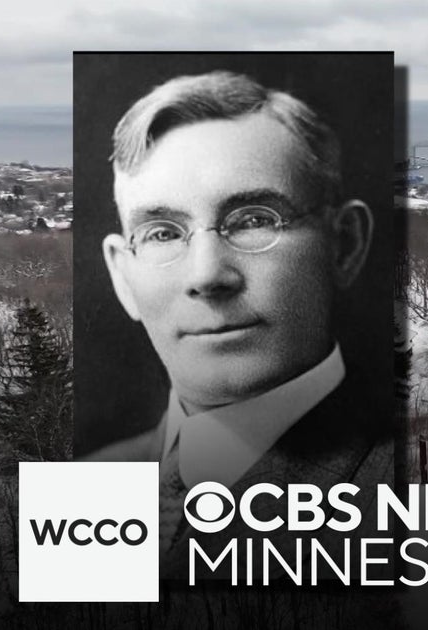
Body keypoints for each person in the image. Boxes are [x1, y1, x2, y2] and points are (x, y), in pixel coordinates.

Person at [81, 71, 393, 578]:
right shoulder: (89, 484)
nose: (207, 275)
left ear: (345, 245)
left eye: (254, 219)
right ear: (122, 275)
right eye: (162, 232)